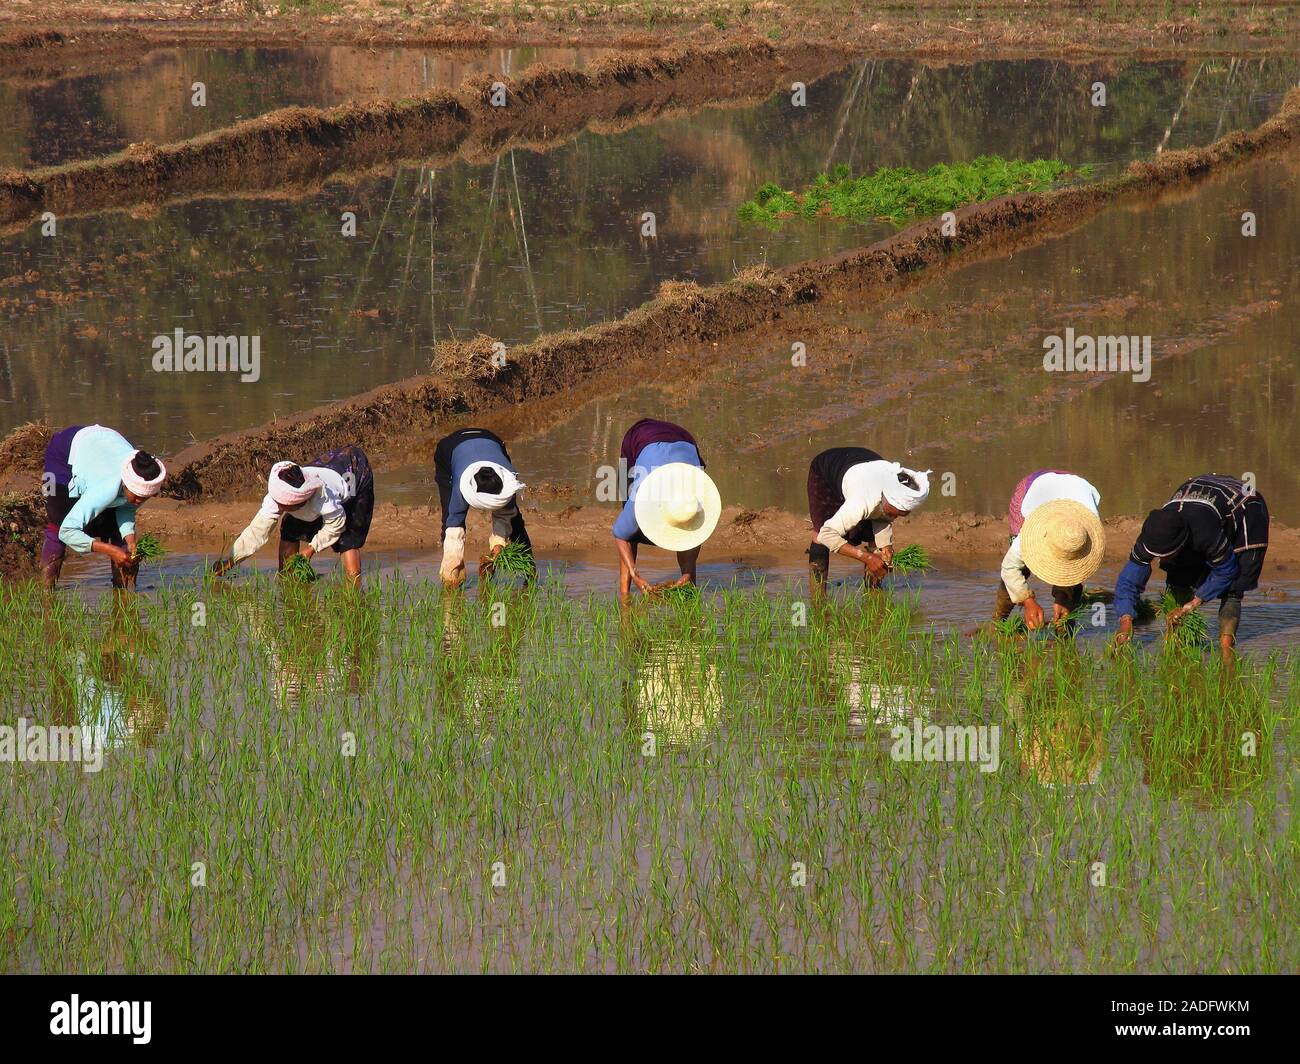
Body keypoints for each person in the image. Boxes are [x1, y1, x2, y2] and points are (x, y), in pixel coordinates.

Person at [1111, 474, 1269, 657]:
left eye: (1167, 555)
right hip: (1197, 494)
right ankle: (1178, 642)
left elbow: (1227, 570)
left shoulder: (1205, 533)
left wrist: (1194, 603)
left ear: (1182, 543)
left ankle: (1227, 649)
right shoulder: (1152, 535)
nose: (1162, 560)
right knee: (1179, 579)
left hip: (1245, 506)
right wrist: (1126, 621)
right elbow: (1128, 582)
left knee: (1233, 589)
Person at [212, 445, 374, 586]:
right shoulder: (278, 493)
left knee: (348, 539)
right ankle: (287, 580)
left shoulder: (322, 498)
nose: (280, 508)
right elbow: (256, 532)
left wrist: (310, 550)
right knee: (289, 529)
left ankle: (353, 589)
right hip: (326, 467)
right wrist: (231, 560)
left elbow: (336, 525)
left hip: (353, 470)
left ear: (299, 501)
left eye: (285, 506)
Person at [40, 424, 167, 590]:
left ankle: (122, 593)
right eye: (137, 497)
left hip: (101, 444)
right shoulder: (105, 487)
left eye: (144, 499)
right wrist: (110, 550)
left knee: (115, 527)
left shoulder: (139, 477)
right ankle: (46, 592)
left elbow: (126, 505)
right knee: (58, 520)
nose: (139, 501)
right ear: (125, 484)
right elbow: (68, 531)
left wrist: (130, 537)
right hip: (63, 453)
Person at [612, 418, 720, 600]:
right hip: (641, 435)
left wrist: (686, 573)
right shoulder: (643, 493)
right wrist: (635, 573)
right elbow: (620, 534)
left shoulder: (697, 495)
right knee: (630, 529)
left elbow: (696, 532)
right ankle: (625, 593)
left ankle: (689, 583)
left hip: (685, 441)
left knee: (689, 522)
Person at [806, 447, 930, 595]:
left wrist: (885, 545)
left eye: (900, 515)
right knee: (820, 533)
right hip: (826, 472)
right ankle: (817, 596)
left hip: (866, 465)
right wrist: (865, 557)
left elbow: (883, 518)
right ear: (886, 499)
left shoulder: (893, 490)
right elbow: (826, 535)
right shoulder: (862, 501)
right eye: (893, 513)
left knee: (876, 545)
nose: (893, 518)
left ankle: (873, 595)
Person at [994, 470, 1105, 630]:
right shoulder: (1030, 533)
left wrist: (1063, 595)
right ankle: (997, 622)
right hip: (1031, 489)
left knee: (1074, 563)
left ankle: (1065, 627)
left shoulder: (1084, 529)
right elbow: (1009, 567)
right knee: (1021, 567)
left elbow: (1074, 563)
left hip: (1073, 489)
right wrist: (1028, 601)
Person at [435, 428, 531, 588]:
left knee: (514, 520)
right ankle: (452, 578)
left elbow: (505, 514)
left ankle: (530, 573)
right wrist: (452, 567)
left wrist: (498, 546)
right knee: (449, 519)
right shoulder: (461, 485)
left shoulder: (509, 478)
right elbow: (454, 524)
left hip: (491, 440)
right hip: (450, 448)